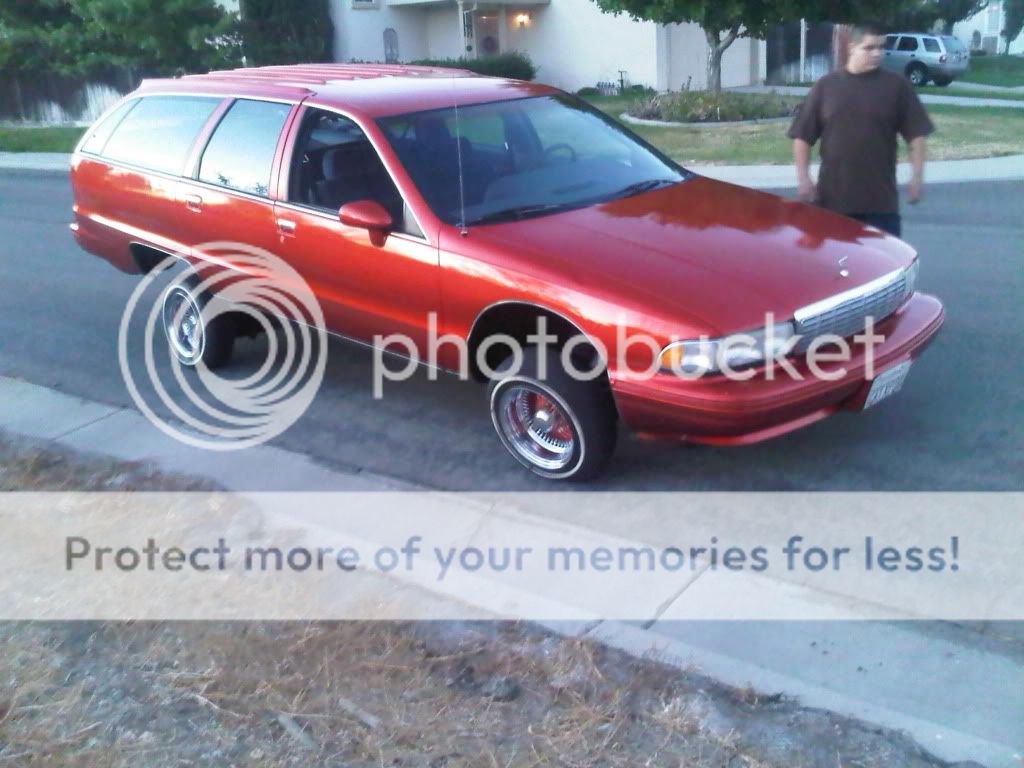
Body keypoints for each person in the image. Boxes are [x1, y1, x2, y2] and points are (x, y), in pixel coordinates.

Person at [788, 23, 934, 238]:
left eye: (881, 47)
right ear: (852, 47)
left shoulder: (897, 87)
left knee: (884, 258)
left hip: (881, 204)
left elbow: (916, 136)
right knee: (836, 258)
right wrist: (804, 179)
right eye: (869, 48)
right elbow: (802, 137)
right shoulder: (826, 86)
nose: (877, 54)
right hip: (833, 202)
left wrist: (917, 177)